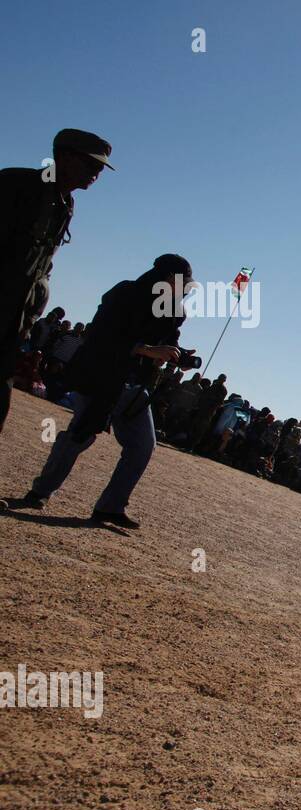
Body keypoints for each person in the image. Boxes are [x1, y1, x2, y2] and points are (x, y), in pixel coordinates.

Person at [1, 255, 193, 527]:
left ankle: (110, 508)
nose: (185, 288)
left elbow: (168, 342)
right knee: (79, 437)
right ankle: (39, 493)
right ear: (165, 278)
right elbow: (102, 334)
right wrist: (145, 349)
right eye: (182, 282)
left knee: (142, 446)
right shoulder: (126, 294)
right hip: (100, 377)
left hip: (134, 387)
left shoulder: (174, 311)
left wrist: (177, 357)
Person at [1, 129, 113, 434]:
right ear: (63, 158)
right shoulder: (16, 186)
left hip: (15, 317)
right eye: (91, 165)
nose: (96, 173)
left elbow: (41, 264)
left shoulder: (65, 204)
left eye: (100, 168)